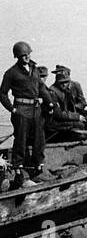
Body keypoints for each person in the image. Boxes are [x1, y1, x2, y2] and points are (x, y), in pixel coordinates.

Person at [2, 41, 47, 179]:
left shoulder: (35, 69)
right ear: (17, 57)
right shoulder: (11, 73)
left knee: (39, 137)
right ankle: (18, 166)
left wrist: (50, 103)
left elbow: (41, 88)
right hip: (21, 108)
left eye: (28, 54)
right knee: (20, 137)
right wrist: (13, 109)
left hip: (35, 108)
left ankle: (38, 164)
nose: (26, 57)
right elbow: (2, 93)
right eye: (23, 55)